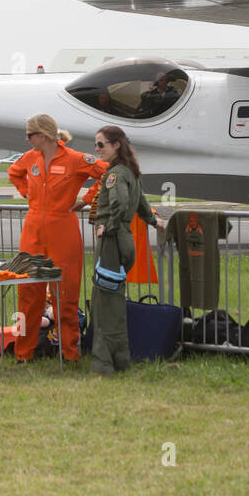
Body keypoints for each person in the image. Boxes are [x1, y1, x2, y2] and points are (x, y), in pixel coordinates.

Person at [8, 114, 107, 362]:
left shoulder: (74, 159)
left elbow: (107, 173)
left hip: (63, 230)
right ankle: (23, 352)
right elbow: (13, 172)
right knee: (27, 295)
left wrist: (86, 199)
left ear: (43, 136)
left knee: (66, 294)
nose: (27, 138)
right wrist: (27, 193)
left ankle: (70, 353)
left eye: (30, 134)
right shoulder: (30, 158)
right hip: (32, 232)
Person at [83, 125, 164, 375]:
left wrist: (106, 227)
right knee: (114, 300)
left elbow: (120, 204)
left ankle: (103, 364)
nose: (97, 149)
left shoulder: (115, 174)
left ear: (116, 145)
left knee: (105, 304)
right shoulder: (131, 172)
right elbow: (141, 205)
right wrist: (155, 222)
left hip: (112, 241)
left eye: (101, 145)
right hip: (125, 240)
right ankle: (120, 359)